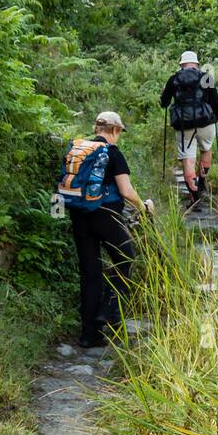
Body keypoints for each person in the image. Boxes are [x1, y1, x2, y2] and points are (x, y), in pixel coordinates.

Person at [58, 111, 154, 348]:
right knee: (126, 259)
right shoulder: (112, 153)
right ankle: (109, 310)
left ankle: (89, 335)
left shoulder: (78, 150)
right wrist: (143, 208)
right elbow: (126, 191)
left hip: (79, 216)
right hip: (106, 215)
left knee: (90, 274)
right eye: (119, 131)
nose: (119, 136)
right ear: (114, 130)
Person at [159, 50, 218, 201]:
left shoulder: (174, 79)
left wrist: (165, 95)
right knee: (206, 150)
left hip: (183, 124)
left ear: (182, 64)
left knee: (188, 159)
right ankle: (202, 183)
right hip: (206, 122)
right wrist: (215, 117)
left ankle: (194, 197)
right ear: (197, 64)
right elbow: (216, 101)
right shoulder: (206, 77)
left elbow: (164, 103)